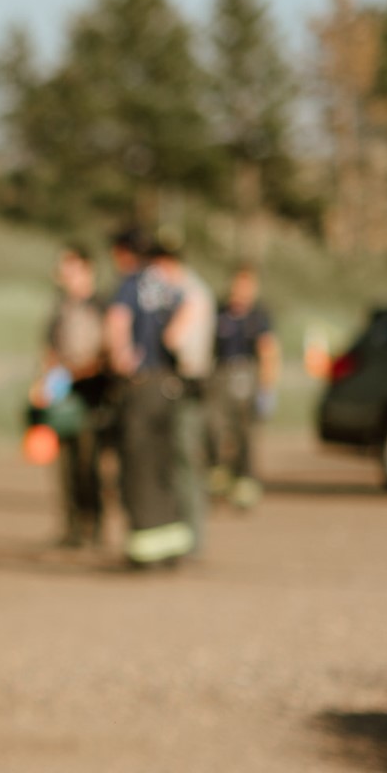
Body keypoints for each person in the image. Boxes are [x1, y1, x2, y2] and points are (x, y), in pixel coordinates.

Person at [105, 236, 194, 569]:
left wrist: (121, 357)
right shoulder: (167, 284)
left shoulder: (130, 284)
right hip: (167, 384)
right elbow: (190, 308)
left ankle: (144, 549)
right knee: (164, 465)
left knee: (138, 468)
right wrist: (172, 344)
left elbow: (116, 321)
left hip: (140, 386)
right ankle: (172, 544)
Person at [30, 243, 111, 547]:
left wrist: (81, 371)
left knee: (89, 463)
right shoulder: (60, 307)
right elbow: (49, 347)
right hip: (61, 394)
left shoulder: (101, 305)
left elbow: (108, 350)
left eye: (70, 269)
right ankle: (72, 525)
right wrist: (46, 380)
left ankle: (95, 523)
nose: (63, 276)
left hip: (91, 394)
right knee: (64, 464)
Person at [155, 237, 216, 557]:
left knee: (185, 464)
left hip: (188, 387)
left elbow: (174, 340)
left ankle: (192, 537)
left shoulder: (190, 294)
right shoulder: (183, 291)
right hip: (182, 386)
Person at [211, 264, 280, 509]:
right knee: (217, 430)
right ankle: (219, 481)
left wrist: (266, 388)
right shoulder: (219, 312)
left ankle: (245, 486)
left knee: (245, 435)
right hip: (221, 376)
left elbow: (268, 352)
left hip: (248, 376)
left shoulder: (259, 316)